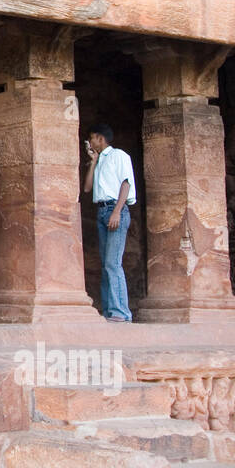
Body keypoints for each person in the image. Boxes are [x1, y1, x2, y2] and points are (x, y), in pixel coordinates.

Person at [83, 122, 137, 323]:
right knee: (107, 264)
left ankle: (121, 313)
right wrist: (93, 162)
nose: (90, 142)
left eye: (91, 138)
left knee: (113, 263)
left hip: (116, 209)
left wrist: (116, 212)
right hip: (102, 211)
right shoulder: (99, 160)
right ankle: (109, 311)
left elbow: (126, 183)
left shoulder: (118, 156)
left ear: (100, 138)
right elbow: (87, 188)